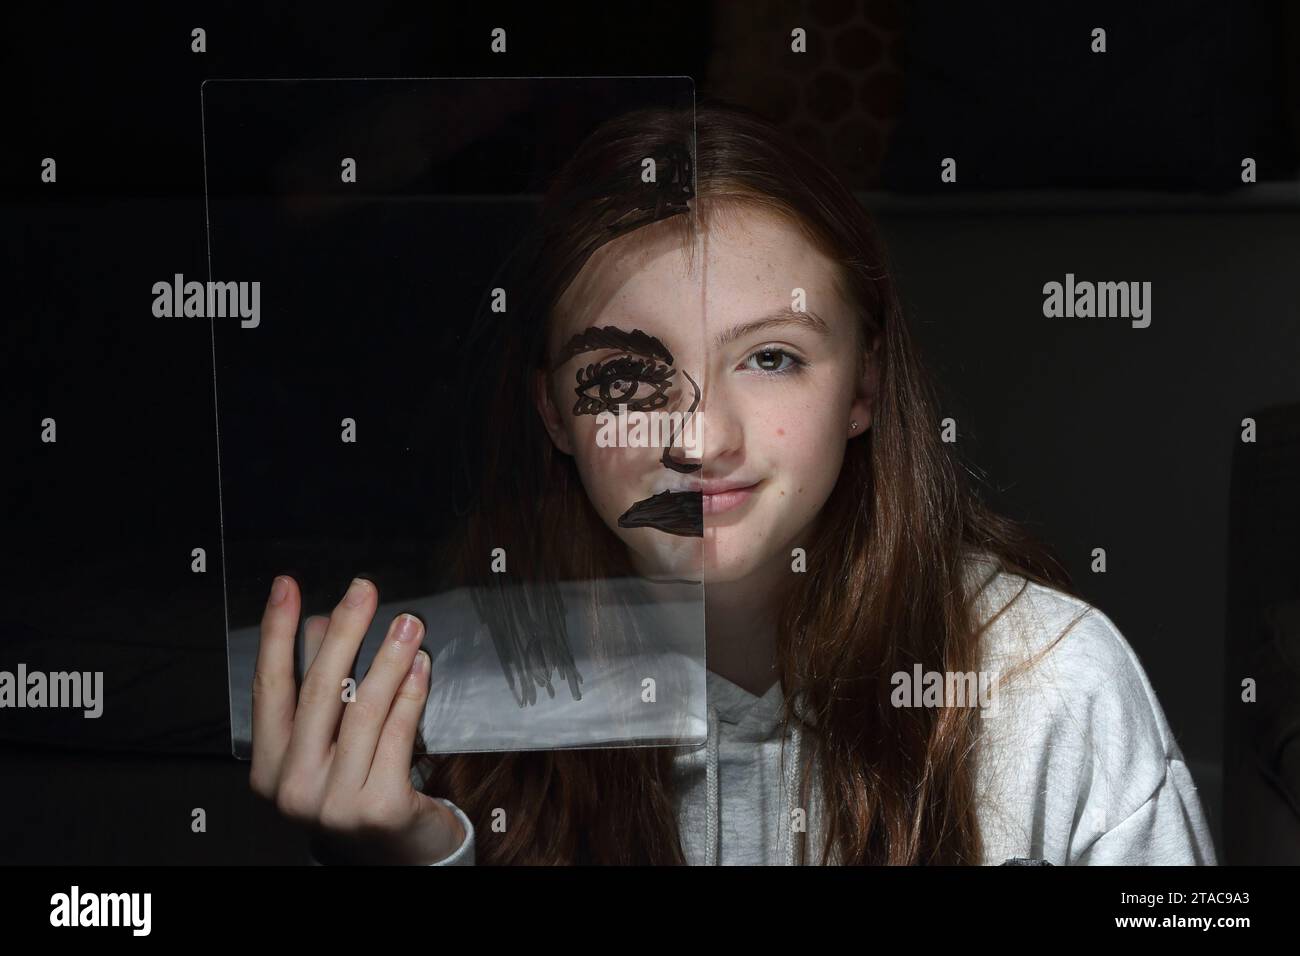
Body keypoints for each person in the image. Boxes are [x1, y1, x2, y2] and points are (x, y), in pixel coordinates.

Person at [248, 100, 1217, 865]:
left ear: (863, 385)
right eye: (626, 378)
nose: (701, 438)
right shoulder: (444, 701)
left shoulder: (1048, 684)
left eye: (771, 358)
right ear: (554, 414)